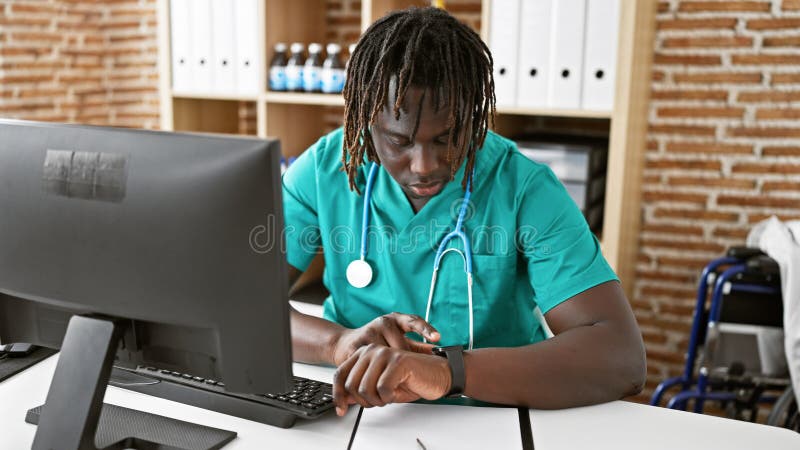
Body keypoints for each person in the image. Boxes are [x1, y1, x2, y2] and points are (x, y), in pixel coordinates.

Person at [282, 7, 646, 416]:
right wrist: (338, 344)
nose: (424, 166)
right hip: (356, 411)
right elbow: (242, 305)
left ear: (474, 115)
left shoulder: (524, 188)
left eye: (447, 137)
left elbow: (620, 357)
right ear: (367, 122)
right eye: (399, 142)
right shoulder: (325, 170)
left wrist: (446, 372)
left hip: (494, 414)